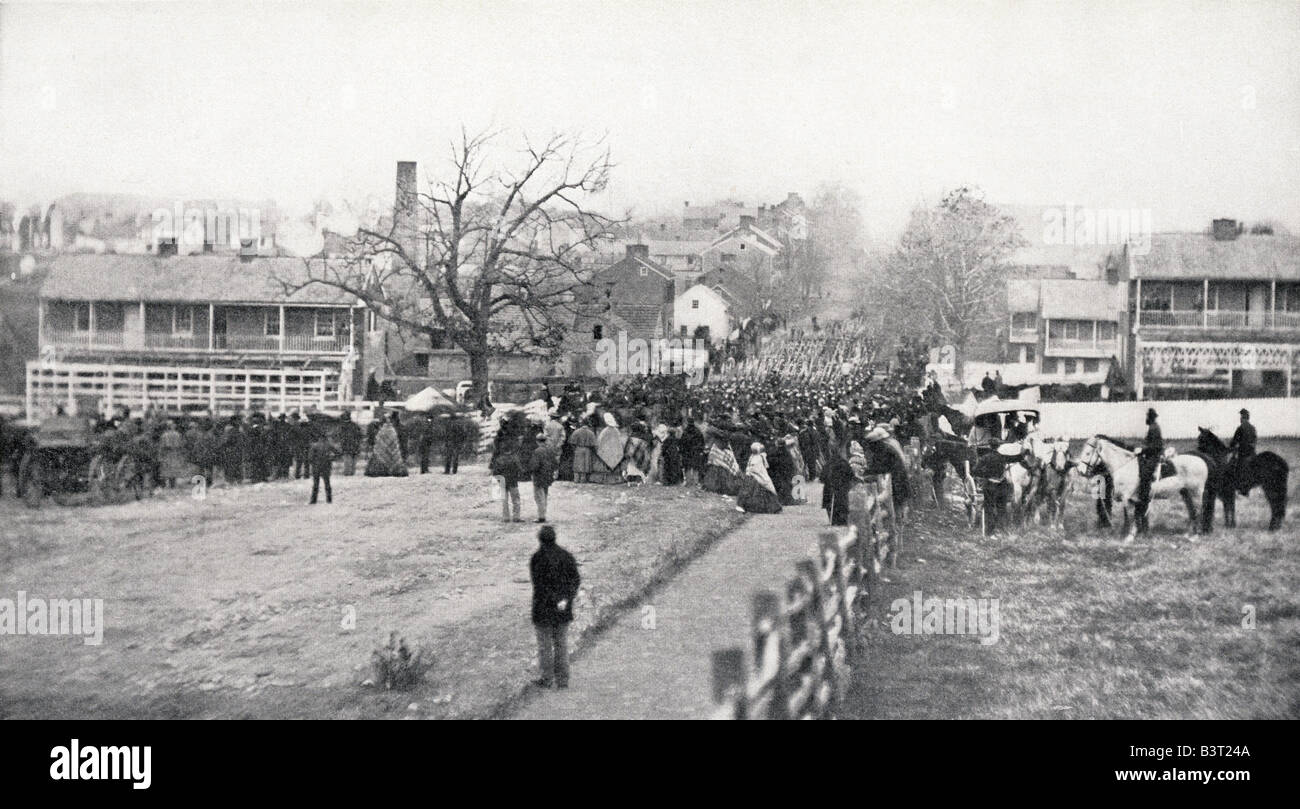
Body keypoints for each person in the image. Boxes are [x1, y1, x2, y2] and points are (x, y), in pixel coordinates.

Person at [529, 525, 580, 689]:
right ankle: (563, 680)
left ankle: (547, 678)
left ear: (540, 540)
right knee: (561, 644)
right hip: (562, 608)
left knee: (545, 646)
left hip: (543, 608)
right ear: (555, 538)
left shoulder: (536, 559)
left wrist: (553, 599)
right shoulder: (566, 556)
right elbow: (575, 580)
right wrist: (565, 599)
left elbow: (539, 585)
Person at [1134, 408, 1163, 535]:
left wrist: (1143, 450)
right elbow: (1148, 443)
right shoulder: (1152, 427)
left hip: (1154, 457)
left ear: (1151, 417)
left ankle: (1144, 494)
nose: (1146, 418)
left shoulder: (1154, 428)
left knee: (1145, 475)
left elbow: (1156, 446)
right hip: (1149, 455)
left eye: (1148, 416)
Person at [737, 441, 783, 513]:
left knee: (751, 490)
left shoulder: (757, 457)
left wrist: (750, 471)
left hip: (755, 476)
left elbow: (756, 468)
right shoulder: (758, 457)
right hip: (756, 476)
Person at [490, 432, 525, 522]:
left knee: (504, 501)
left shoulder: (499, 459)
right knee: (516, 500)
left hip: (502, 481)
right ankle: (516, 517)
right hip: (513, 481)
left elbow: (495, 473)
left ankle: (506, 517)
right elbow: (521, 470)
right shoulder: (515, 458)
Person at [365, 412, 409, 477]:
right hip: (394, 450)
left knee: (381, 459)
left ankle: (383, 470)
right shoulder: (394, 429)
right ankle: (394, 470)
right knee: (395, 458)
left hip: (382, 451)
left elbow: (377, 440)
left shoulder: (381, 430)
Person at [528, 432, 557, 523]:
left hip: (539, 477)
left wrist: (530, 470)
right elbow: (555, 463)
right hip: (547, 476)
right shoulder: (550, 450)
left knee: (539, 497)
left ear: (537, 441)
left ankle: (541, 517)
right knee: (544, 496)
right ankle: (543, 514)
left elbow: (534, 466)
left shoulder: (537, 451)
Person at [1228, 408, 1257, 495]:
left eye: (1241, 417)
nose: (1240, 419)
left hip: (1243, 454)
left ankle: (1237, 487)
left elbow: (1234, 442)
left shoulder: (1240, 428)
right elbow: (1255, 440)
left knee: (1231, 465)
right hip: (1252, 453)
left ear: (1243, 417)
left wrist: (1231, 446)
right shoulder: (1253, 428)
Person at [308, 424, 339, 504]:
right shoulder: (329, 445)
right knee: (327, 483)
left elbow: (310, 458)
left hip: (316, 466)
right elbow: (338, 453)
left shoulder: (314, 446)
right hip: (326, 465)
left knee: (315, 484)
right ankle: (329, 499)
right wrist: (331, 458)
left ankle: (313, 499)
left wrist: (313, 463)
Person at [157, 419, 191, 488]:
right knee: (173, 468)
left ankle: (168, 483)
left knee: (167, 468)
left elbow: (161, 446)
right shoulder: (177, 434)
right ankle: (172, 483)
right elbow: (181, 445)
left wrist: (160, 455)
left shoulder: (164, 435)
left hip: (167, 453)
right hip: (175, 453)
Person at [567, 416, 597, 483]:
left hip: (578, 449)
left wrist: (575, 449)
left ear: (581, 424)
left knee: (577, 465)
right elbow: (594, 444)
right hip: (587, 450)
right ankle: (583, 480)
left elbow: (571, 442)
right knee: (585, 466)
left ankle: (576, 479)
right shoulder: (591, 433)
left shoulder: (576, 432)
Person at [338, 411, 362, 476]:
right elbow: (360, 435)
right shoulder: (355, 425)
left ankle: (347, 471)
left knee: (347, 458)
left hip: (346, 445)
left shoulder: (342, 427)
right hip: (355, 444)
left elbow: (340, 436)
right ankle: (352, 471)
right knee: (353, 459)